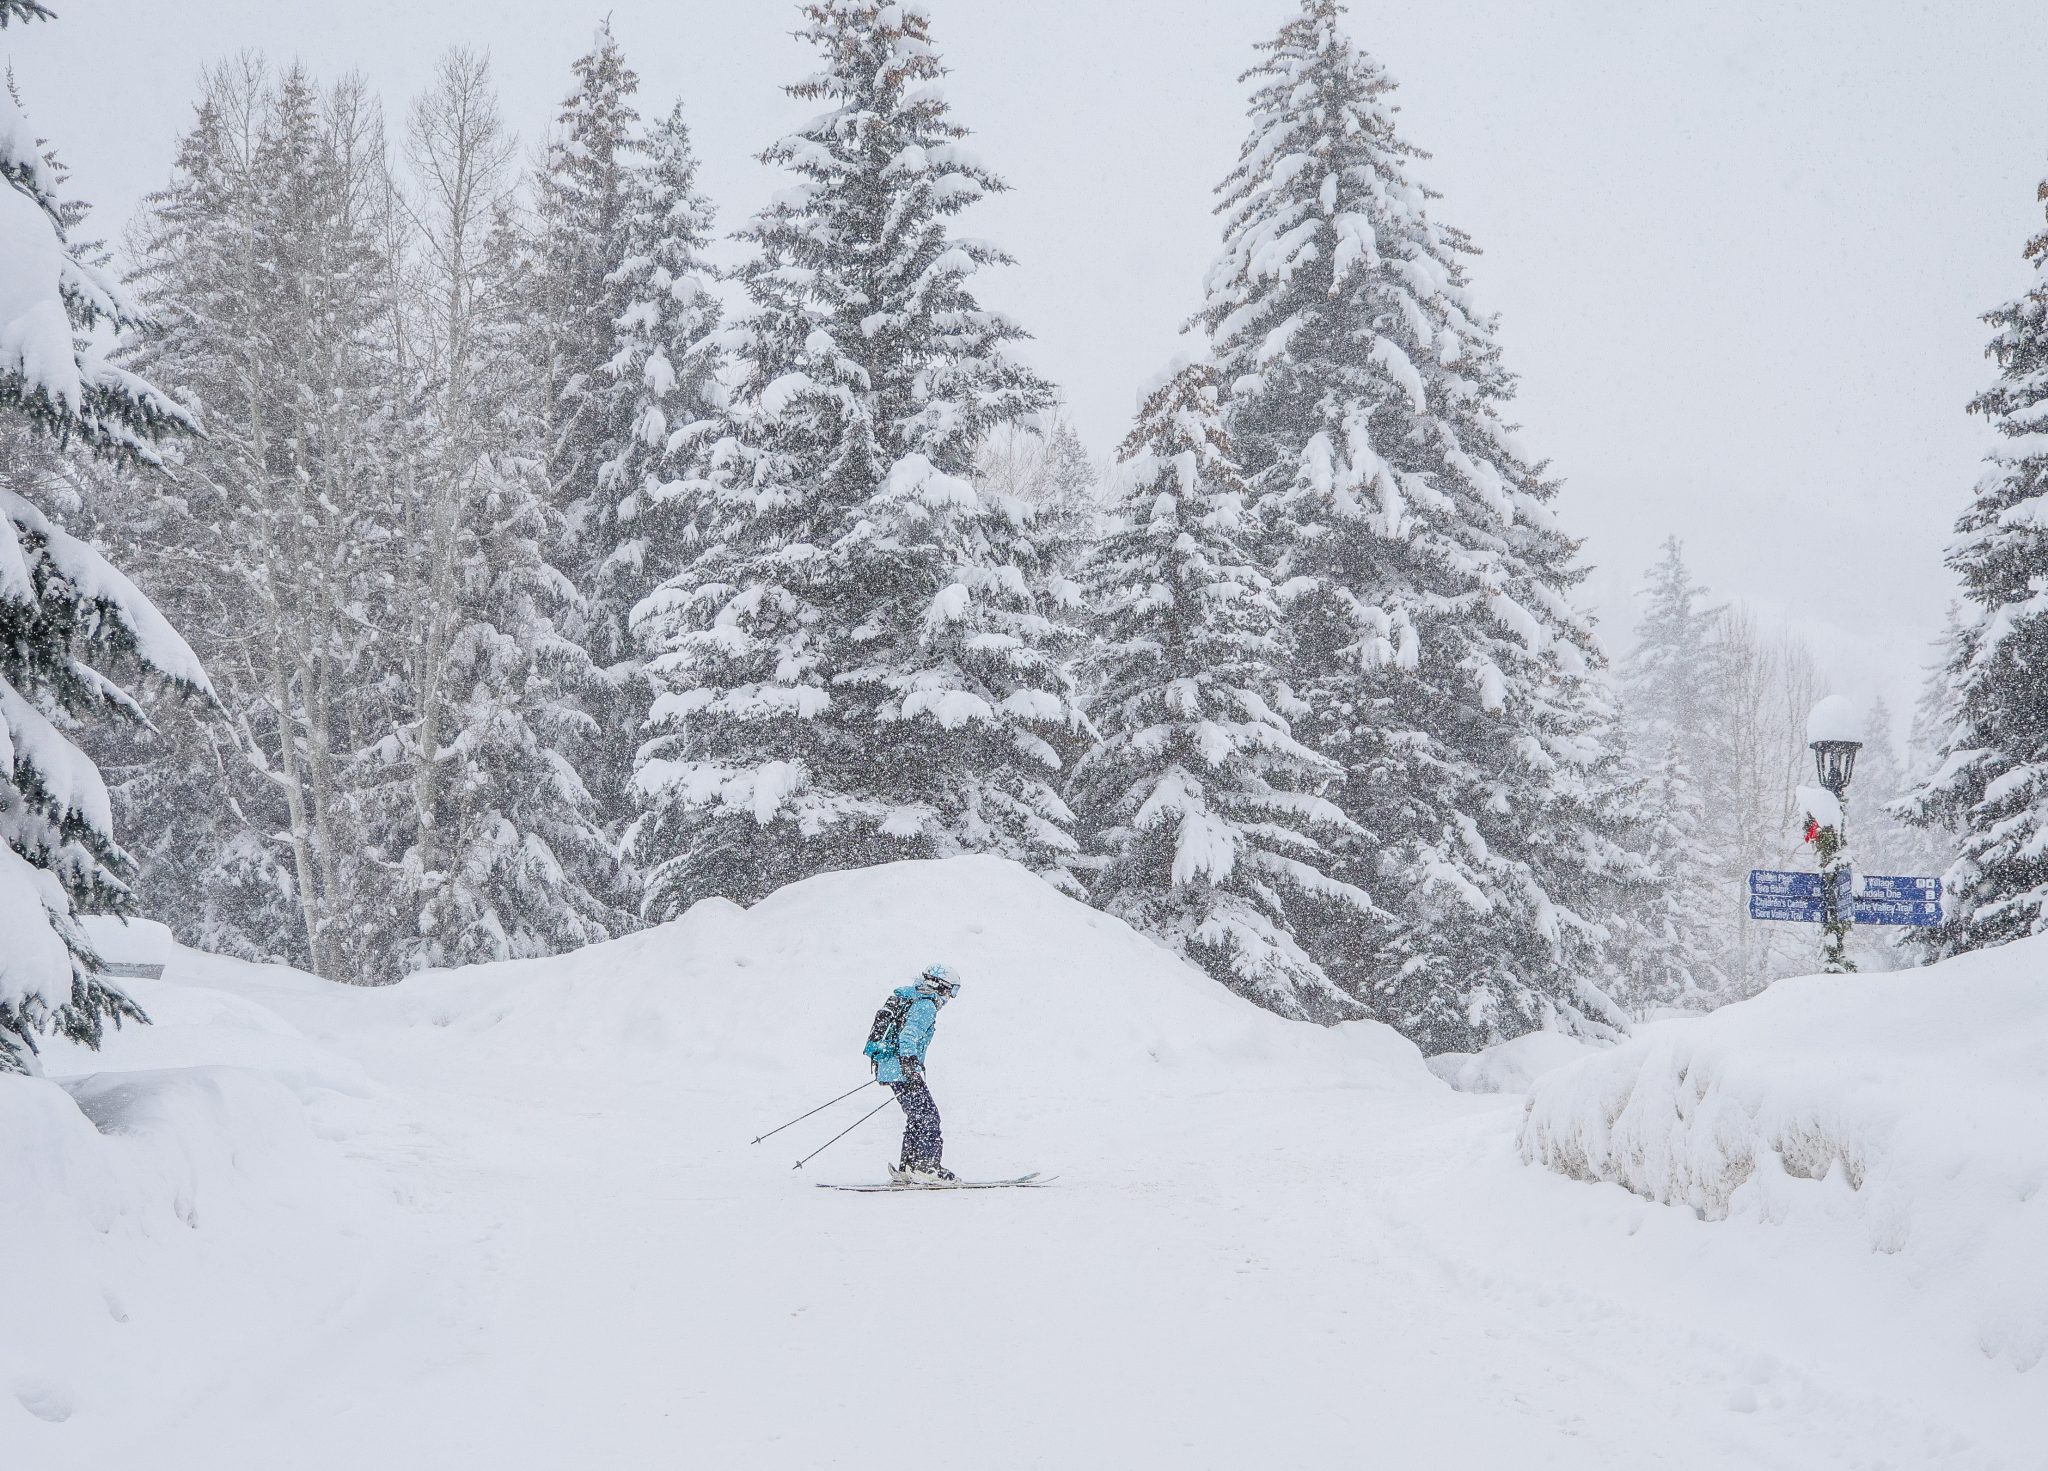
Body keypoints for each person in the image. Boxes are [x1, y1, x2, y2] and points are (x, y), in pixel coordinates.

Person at [865, 963, 962, 1184]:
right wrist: (910, 1063)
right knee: (929, 1118)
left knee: (918, 1116)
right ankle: (927, 1168)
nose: (950, 998)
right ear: (940, 986)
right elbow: (908, 1035)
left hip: (891, 1068)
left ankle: (908, 1167)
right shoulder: (925, 1005)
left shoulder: (910, 998)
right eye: (951, 991)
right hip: (904, 1069)